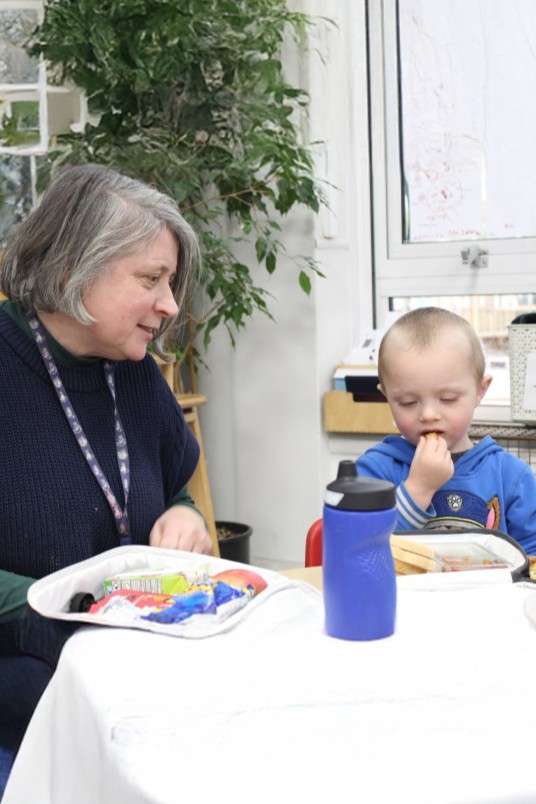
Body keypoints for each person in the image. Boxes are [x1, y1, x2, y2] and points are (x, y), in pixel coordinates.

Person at [0, 163, 213, 784]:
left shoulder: (135, 369)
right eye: (151, 279)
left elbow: (172, 489)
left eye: (170, 282)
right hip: (26, 710)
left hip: (130, 689)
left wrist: (184, 517)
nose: (170, 305)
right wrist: (56, 616)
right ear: (73, 268)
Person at [357, 307, 536, 556]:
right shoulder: (374, 473)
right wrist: (418, 489)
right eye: (408, 402)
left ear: (480, 391)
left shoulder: (511, 478)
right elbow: (364, 553)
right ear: (386, 396)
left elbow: (530, 559)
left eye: (448, 398)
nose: (428, 414)